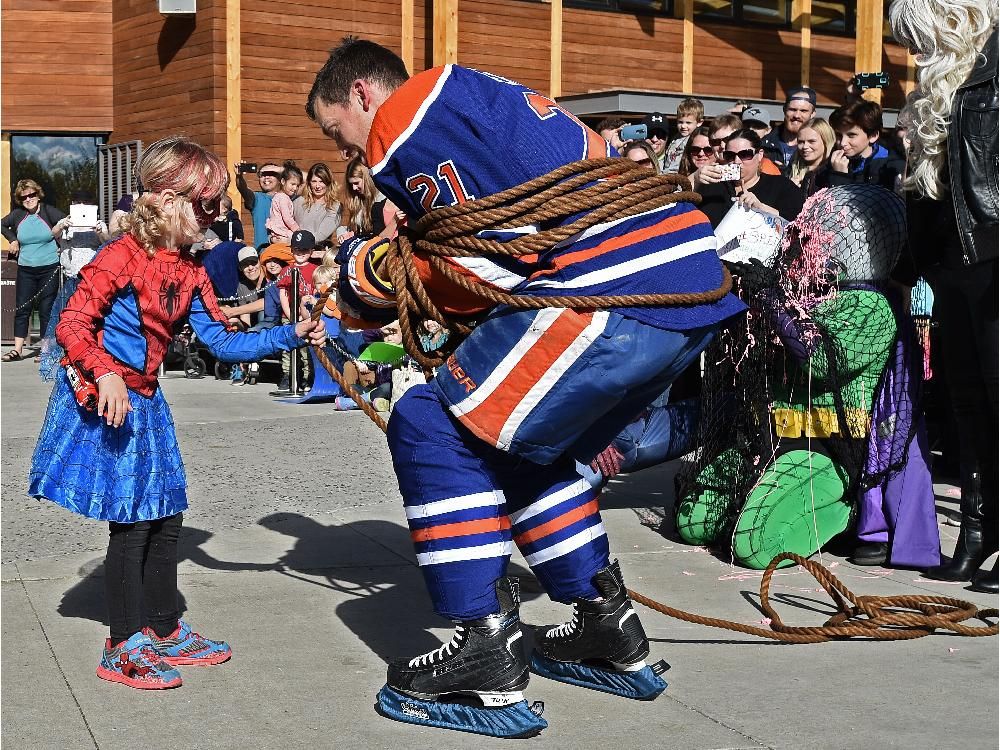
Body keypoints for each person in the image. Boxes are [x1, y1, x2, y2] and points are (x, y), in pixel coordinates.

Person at [307, 36, 744, 737]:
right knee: (508, 440)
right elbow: (499, 250)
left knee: (429, 418)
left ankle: (482, 651)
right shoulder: (486, 101)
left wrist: (359, 278)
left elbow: (471, 264)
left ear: (362, 95)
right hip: (683, 287)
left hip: (612, 289)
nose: (357, 156)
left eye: (341, 135)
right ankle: (606, 626)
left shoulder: (411, 113)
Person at [27, 135, 327, 690]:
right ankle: (122, 643)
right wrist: (107, 370)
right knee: (133, 524)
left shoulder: (190, 270)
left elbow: (219, 341)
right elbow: (71, 324)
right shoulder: (120, 256)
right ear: (166, 200)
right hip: (111, 400)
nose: (214, 215)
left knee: (167, 517)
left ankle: (164, 627)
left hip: (147, 404)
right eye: (206, 203)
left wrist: (291, 333)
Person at [890, 0, 998, 594]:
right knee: (964, 403)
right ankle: (979, 532)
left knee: (998, 398)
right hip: (953, 260)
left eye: (917, 37)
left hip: (994, 256)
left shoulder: (994, 68)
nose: (912, 52)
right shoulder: (941, 84)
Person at [39, 190, 109, 379]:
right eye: (78, 202)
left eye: (86, 202)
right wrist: (61, 225)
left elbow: (108, 243)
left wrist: (100, 232)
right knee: (60, 314)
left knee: (87, 317)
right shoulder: (66, 223)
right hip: (70, 277)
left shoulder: (98, 223)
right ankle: (50, 353)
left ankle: (87, 349)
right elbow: (51, 236)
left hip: (91, 279)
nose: (82, 205)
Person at [1, 179, 70, 362]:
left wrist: (61, 242)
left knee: (46, 309)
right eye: (24, 197)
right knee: (23, 309)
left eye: (32, 195)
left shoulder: (48, 211)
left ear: (38, 195)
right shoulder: (17, 215)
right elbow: (2, 224)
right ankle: (17, 350)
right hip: (26, 269)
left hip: (49, 268)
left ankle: (45, 350)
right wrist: (12, 239)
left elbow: (68, 221)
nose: (28, 199)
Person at [696, 129, 805, 227]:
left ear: (760, 155)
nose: (737, 161)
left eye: (745, 154)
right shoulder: (711, 187)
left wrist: (762, 208)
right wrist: (695, 178)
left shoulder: (781, 186)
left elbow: (797, 224)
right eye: (730, 155)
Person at [828, 100, 905, 189]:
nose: (842, 143)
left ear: (873, 136)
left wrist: (840, 177)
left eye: (851, 135)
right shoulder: (833, 162)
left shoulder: (891, 168)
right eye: (839, 135)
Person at [338, 154, 400, 244]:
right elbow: (356, 229)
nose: (354, 188)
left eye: (356, 183)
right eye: (351, 184)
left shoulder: (383, 198)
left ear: (367, 179)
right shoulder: (359, 200)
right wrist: (342, 233)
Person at [760, 87, 816, 170]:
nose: (797, 115)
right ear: (784, 110)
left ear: (812, 114)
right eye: (792, 109)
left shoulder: (819, 148)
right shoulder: (764, 145)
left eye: (803, 111)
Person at [293, 162, 343, 247]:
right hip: (294, 249)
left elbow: (320, 235)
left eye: (321, 181)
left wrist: (293, 239)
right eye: (314, 181)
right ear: (309, 183)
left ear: (328, 183)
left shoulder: (334, 206)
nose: (317, 186)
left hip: (317, 251)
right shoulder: (298, 201)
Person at [234, 160, 281, 248]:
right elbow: (243, 188)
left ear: (279, 179)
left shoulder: (287, 197)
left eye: (270, 174)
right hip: (263, 253)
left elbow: (303, 181)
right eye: (262, 175)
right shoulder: (257, 198)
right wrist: (239, 176)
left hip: (285, 252)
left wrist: (282, 170)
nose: (266, 177)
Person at [785, 117, 836, 196]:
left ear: (826, 141)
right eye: (801, 142)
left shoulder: (835, 171)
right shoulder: (791, 170)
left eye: (811, 141)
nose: (805, 146)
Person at [266, 161, 304, 244]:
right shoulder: (283, 198)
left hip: (279, 230)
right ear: (283, 181)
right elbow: (287, 218)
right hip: (281, 231)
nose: (295, 188)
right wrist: (297, 230)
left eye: (297, 185)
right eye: (292, 184)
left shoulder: (280, 196)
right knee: (300, 241)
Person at [663, 98, 704, 173]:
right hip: (667, 173)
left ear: (699, 122)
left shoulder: (694, 140)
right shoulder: (676, 137)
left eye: (688, 123)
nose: (683, 126)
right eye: (680, 122)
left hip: (681, 175)